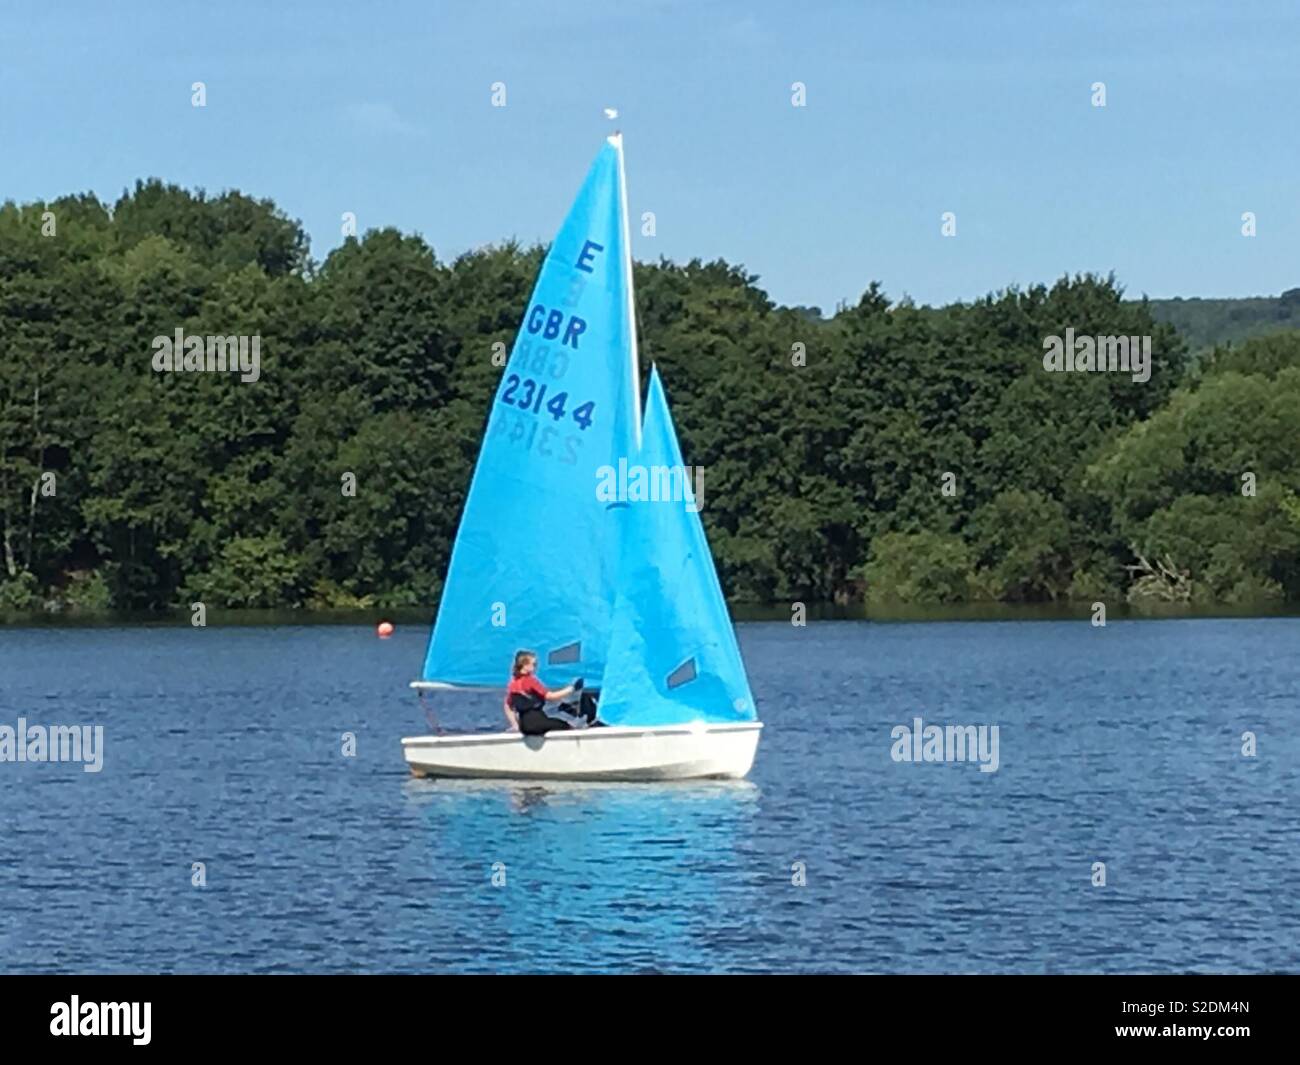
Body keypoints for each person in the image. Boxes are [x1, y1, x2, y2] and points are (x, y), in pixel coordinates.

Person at [504, 650, 600, 734]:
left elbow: (507, 706)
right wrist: (572, 689)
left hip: (525, 726)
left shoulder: (513, 684)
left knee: (554, 721)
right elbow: (550, 696)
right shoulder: (530, 680)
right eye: (534, 664)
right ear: (525, 665)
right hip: (537, 723)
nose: (536, 667)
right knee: (565, 725)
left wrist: (515, 725)